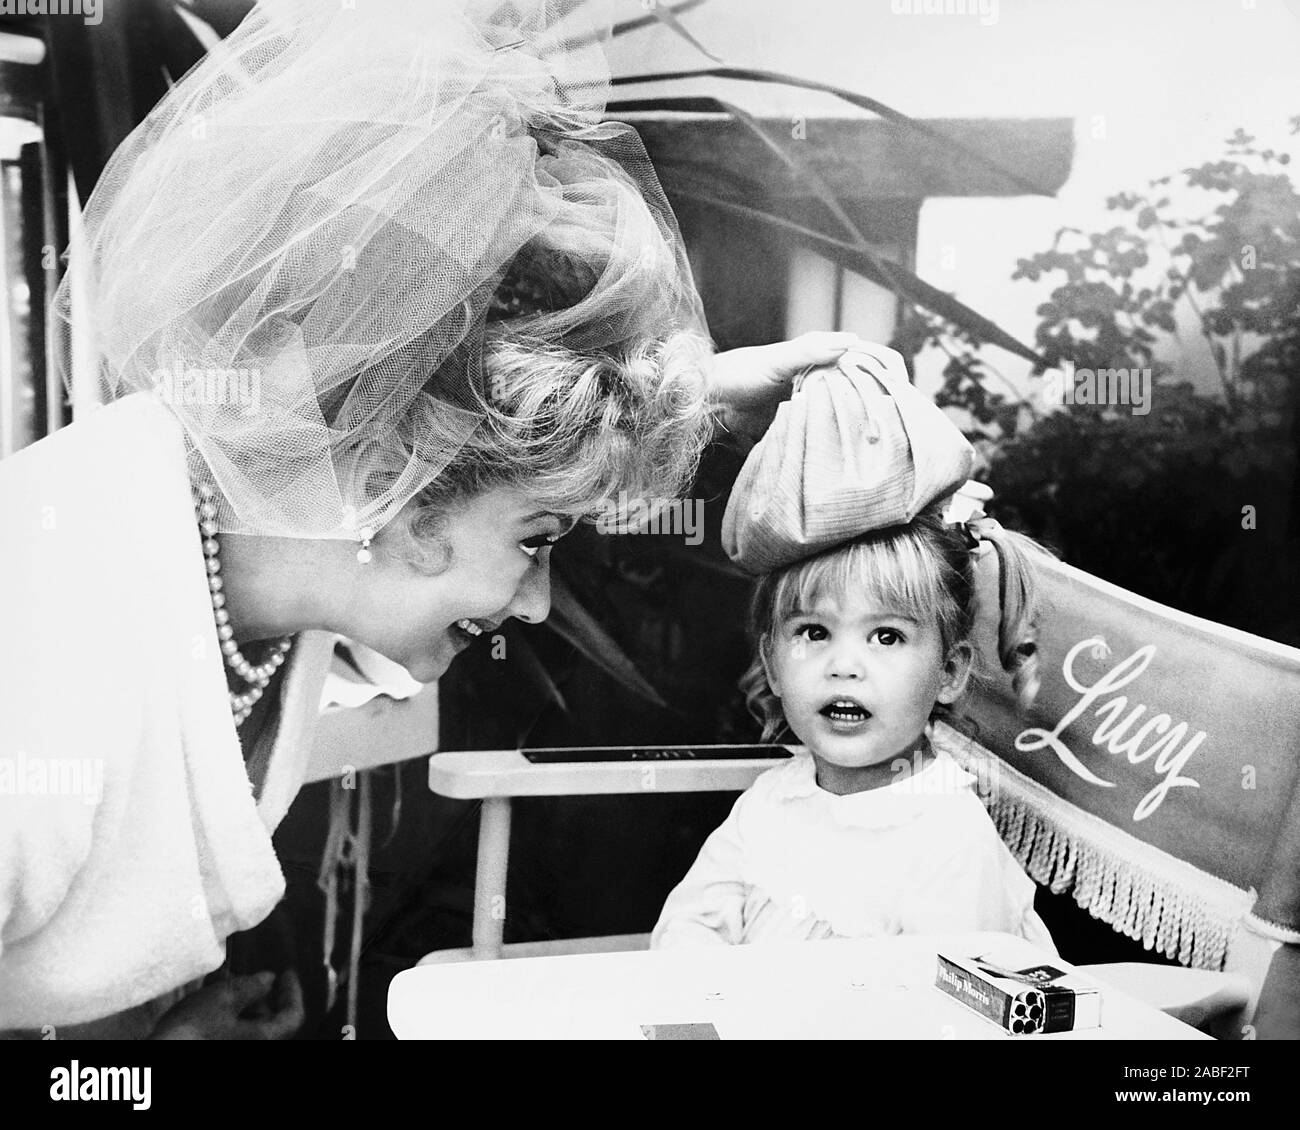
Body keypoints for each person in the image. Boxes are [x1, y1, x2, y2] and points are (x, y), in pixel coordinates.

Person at [0, 0, 865, 1038]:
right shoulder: (40, 670)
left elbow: (446, 399)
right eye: (537, 541)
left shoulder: (267, 530)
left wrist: (695, 389)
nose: (538, 604)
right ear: (385, 475)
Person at [651, 346, 1057, 951]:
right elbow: (692, 924)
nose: (844, 666)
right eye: (813, 633)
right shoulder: (774, 802)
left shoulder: (945, 834)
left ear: (949, 673)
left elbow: (941, 1010)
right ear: (772, 663)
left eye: (886, 636)